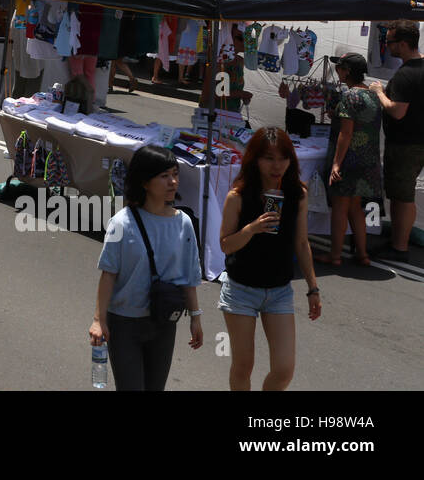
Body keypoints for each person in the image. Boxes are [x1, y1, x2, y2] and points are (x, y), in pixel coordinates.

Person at [88, 145, 203, 391]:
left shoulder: (184, 224)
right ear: (144, 182)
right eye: (164, 176)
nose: (173, 181)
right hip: (125, 325)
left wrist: (195, 317)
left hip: (163, 323)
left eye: (175, 174)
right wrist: (99, 320)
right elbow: (109, 275)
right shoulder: (122, 223)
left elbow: (189, 277)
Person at [218, 127, 321, 391]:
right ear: (255, 159)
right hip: (241, 290)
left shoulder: (297, 193)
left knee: (284, 369)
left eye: (283, 158)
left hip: (279, 291)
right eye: (269, 158)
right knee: (243, 365)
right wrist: (251, 229)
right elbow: (226, 245)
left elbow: (301, 242)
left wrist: (313, 288)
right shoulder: (238, 196)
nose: (277, 166)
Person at [368, 19, 424, 263]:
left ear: (402, 44)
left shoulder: (406, 74)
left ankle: (399, 247)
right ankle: (399, 239)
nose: (386, 46)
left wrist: (379, 91)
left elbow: (396, 110)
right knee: (405, 193)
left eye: (389, 42)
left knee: (401, 196)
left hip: (405, 144)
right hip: (418, 141)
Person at [318, 54, 382, 267]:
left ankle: (335, 256)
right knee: (355, 208)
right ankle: (362, 254)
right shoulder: (372, 95)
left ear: (347, 71)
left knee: (340, 207)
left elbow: (346, 133)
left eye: (339, 69)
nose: (338, 73)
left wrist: (336, 163)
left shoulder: (349, 96)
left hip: (350, 159)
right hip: (368, 158)